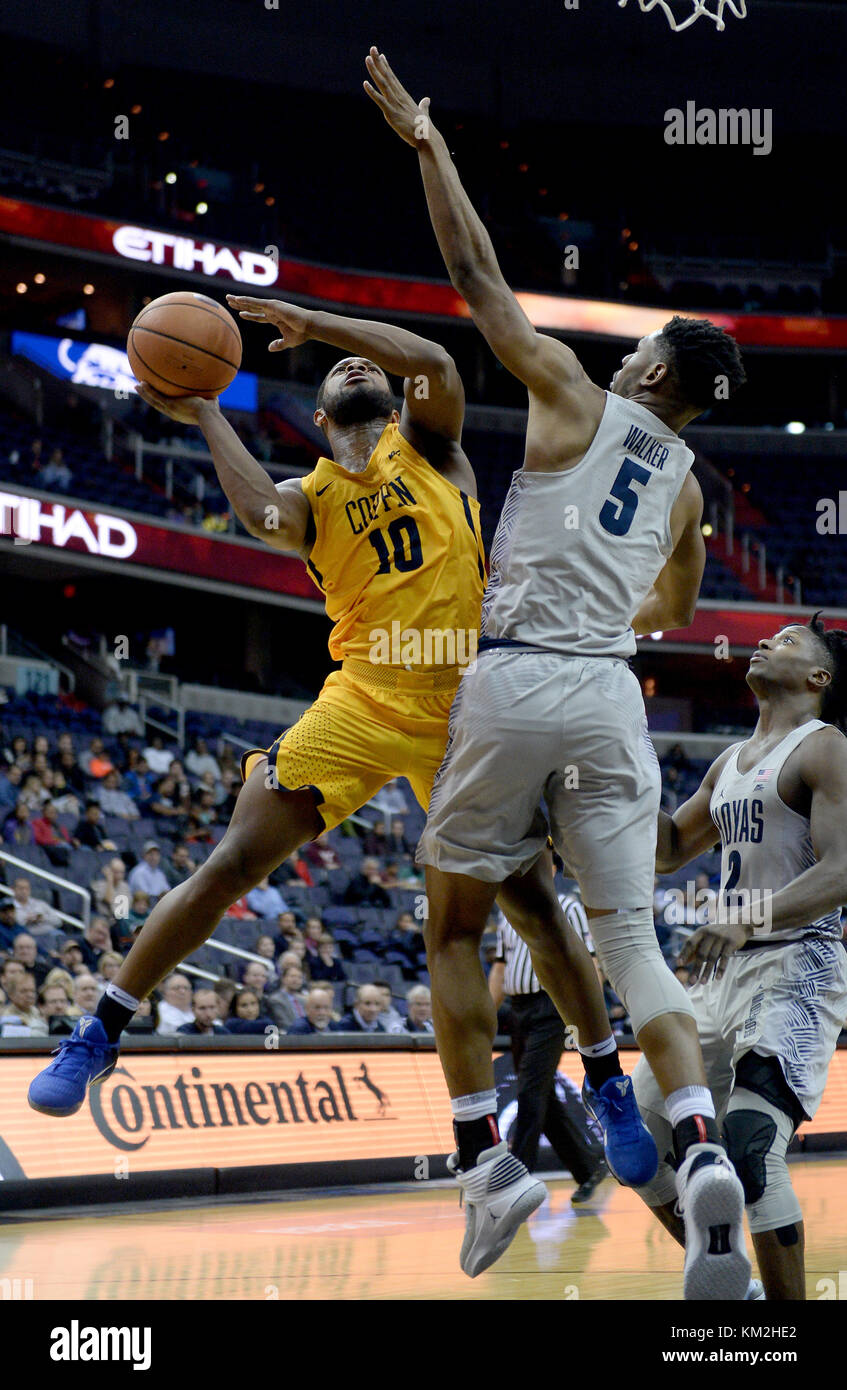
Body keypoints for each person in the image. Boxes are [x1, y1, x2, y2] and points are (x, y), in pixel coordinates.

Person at [28, 267, 643, 1234]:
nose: (359, 367)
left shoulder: (435, 452)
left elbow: (436, 356)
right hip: (359, 701)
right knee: (233, 860)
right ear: (318, 421)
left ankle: (604, 1072)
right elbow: (254, 517)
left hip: (464, 710)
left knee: (528, 899)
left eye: (370, 367)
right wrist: (202, 415)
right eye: (337, 373)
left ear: (393, 403)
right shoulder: (307, 497)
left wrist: (316, 323)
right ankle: (100, 1028)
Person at [365, 49, 749, 1291]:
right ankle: (697, 1148)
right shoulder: (688, 482)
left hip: (520, 674)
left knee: (456, 921)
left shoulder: (577, 394)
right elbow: (679, 605)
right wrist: (607, 598)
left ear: (645, 371)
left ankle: (486, 1163)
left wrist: (432, 147)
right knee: (631, 936)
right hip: (606, 695)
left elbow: (474, 278)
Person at [633, 616, 847, 1301]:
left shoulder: (826, 748)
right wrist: (607, 786)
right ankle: (733, 1286)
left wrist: (743, 919)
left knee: (751, 1145)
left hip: (795, 963)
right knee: (639, 1142)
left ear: (818, 679)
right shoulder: (729, 760)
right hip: (718, 974)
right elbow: (668, 848)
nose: (765, 642)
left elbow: (843, 871)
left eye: (786, 641)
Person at [490, 913, 608, 1207]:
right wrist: (487, 1017)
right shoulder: (507, 916)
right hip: (518, 1009)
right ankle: (588, 1168)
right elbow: (499, 969)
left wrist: (589, 1009)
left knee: (530, 1090)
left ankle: (516, 1181)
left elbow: (590, 960)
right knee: (541, 1094)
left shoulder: (567, 906)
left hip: (554, 1004)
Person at [266, 962, 307, 1031]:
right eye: (292, 976)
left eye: (299, 977)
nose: (296, 980)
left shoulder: (303, 1000)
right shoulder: (275, 1000)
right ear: (283, 979)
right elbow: (284, 1024)